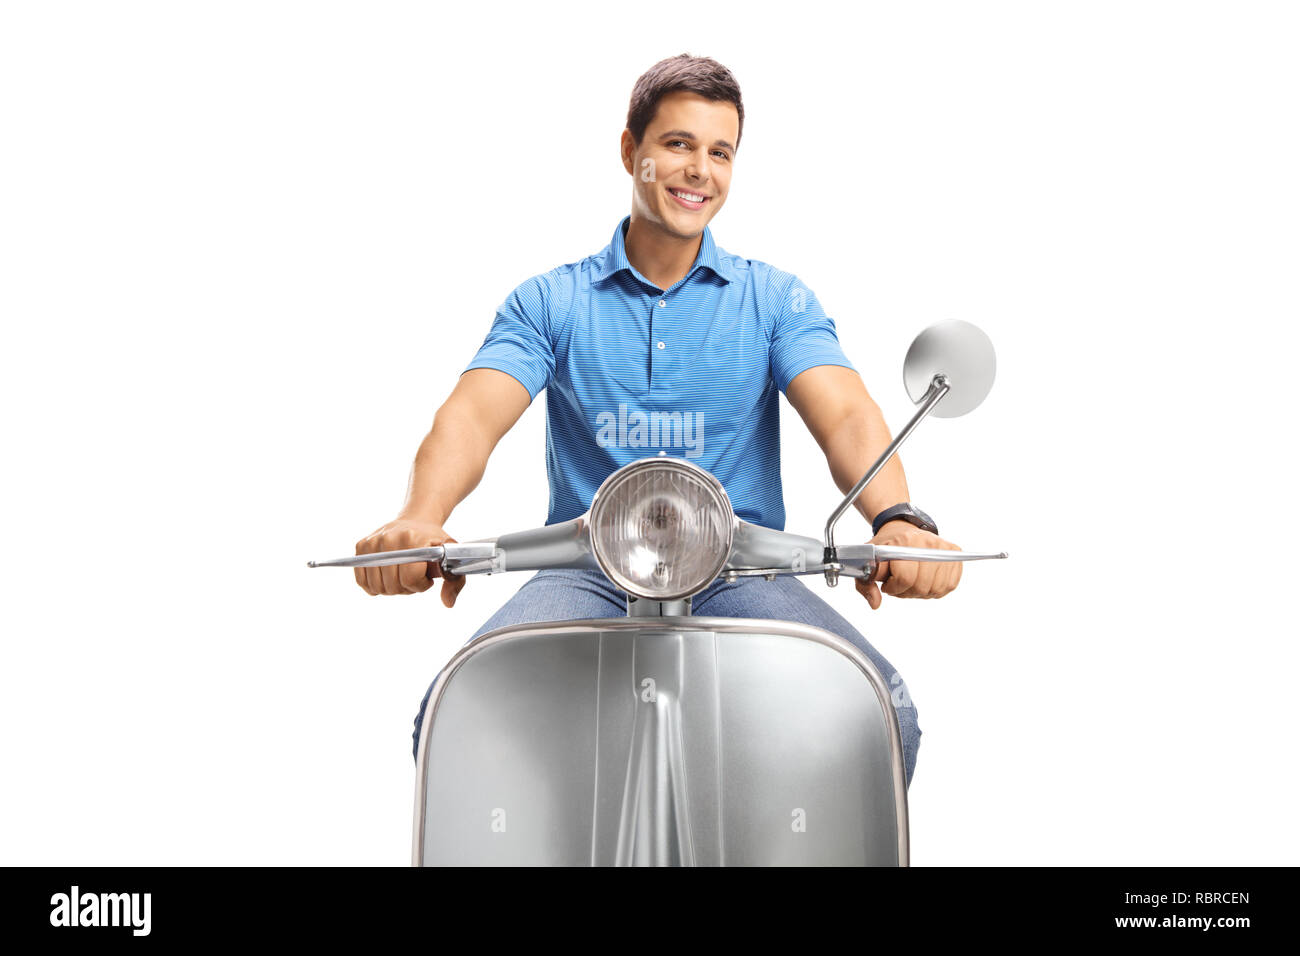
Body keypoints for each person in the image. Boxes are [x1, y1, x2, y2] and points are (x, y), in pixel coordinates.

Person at [354, 54, 964, 789]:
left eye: (720, 152)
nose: (698, 170)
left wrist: (895, 516)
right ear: (630, 153)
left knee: (878, 711)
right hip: (585, 572)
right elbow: (473, 414)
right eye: (678, 144)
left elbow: (844, 412)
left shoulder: (775, 300)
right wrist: (422, 516)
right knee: (459, 711)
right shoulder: (550, 301)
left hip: (742, 569)